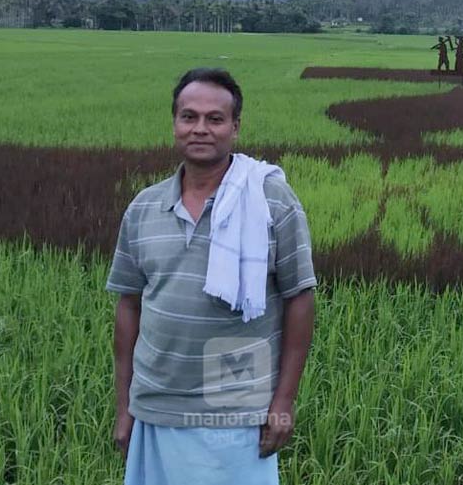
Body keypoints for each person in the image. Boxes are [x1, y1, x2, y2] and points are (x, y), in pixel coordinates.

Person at [107, 68, 317, 485]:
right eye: (189, 117)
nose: (200, 129)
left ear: (235, 128)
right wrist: (124, 407)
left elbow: (300, 298)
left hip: (236, 409)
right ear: (175, 124)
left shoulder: (270, 200)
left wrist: (284, 402)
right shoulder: (145, 207)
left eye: (215, 119)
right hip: (156, 405)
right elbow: (129, 306)